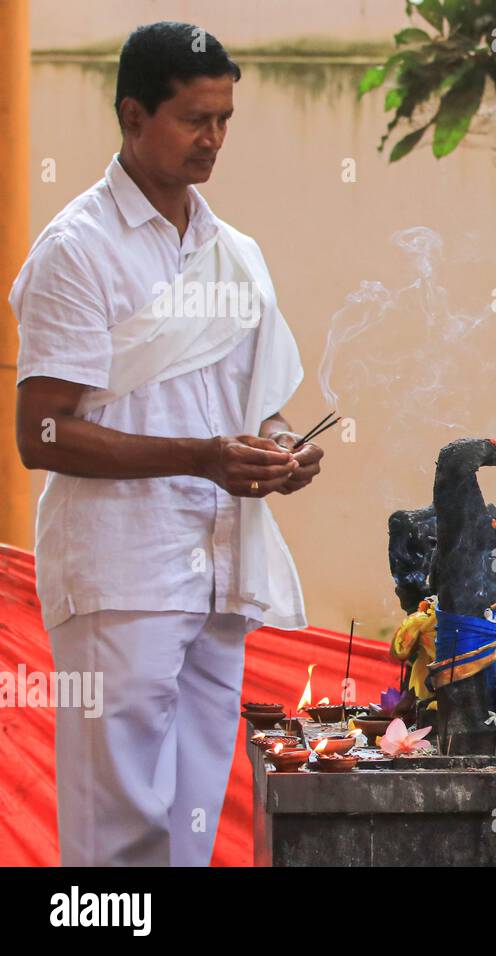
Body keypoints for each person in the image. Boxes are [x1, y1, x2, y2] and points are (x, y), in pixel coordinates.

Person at [9, 22, 323, 866]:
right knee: (121, 829)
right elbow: (40, 433)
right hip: (123, 568)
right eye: (194, 119)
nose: (213, 139)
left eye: (224, 119)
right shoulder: (78, 251)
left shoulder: (237, 253)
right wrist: (201, 457)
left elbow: (261, 406)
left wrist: (282, 450)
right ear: (133, 115)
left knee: (187, 821)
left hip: (221, 567)